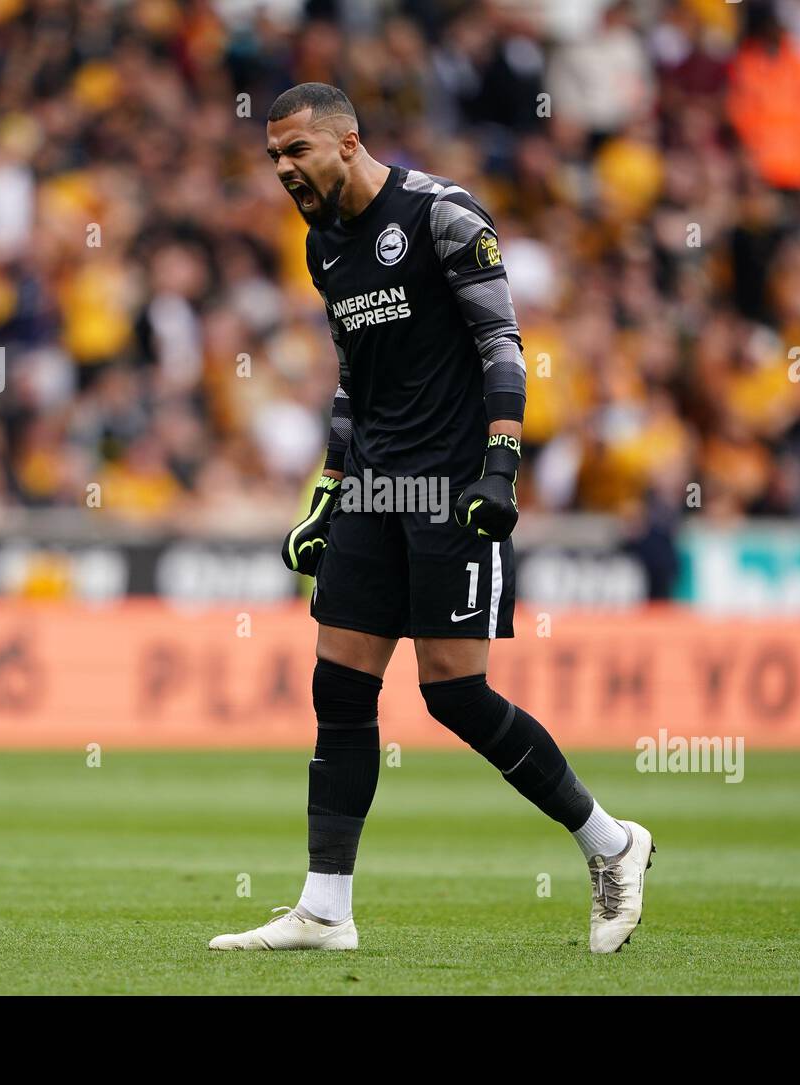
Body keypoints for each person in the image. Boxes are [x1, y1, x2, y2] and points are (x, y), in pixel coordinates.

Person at [208, 83, 653, 955]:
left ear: (348, 141)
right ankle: (325, 909)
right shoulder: (322, 245)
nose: (284, 170)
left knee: (454, 694)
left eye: (296, 151)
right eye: (273, 158)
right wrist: (329, 493)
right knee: (339, 686)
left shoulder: (442, 214)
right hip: (375, 488)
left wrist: (501, 464)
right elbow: (352, 381)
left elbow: (501, 345)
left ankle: (612, 842)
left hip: (452, 487)